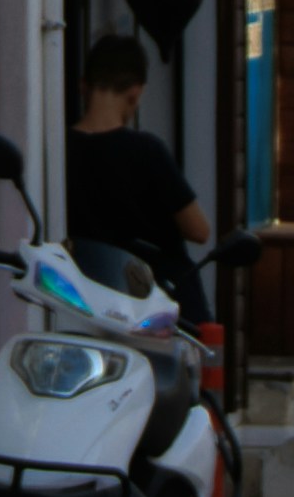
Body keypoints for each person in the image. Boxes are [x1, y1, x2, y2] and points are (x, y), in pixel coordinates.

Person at [67, 25, 212, 311]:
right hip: (157, 299)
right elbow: (199, 230)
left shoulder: (61, 149)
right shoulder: (147, 151)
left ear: (83, 86)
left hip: (90, 298)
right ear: (134, 93)